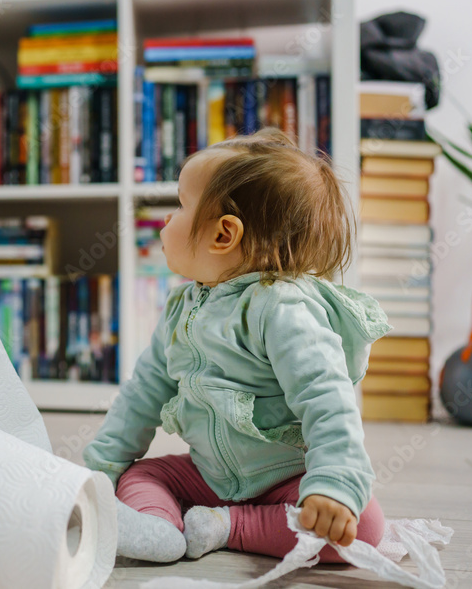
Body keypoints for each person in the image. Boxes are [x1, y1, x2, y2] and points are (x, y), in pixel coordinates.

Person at [84, 128, 389, 563]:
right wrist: (103, 469)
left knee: (365, 528)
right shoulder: (181, 306)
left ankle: (228, 527)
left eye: (181, 206)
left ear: (223, 235)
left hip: (284, 478)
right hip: (207, 475)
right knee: (144, 475)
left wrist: (333, 486)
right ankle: (158, 528)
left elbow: (327, 398)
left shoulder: (283, 308)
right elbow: (143, 392)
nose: (168, 220)